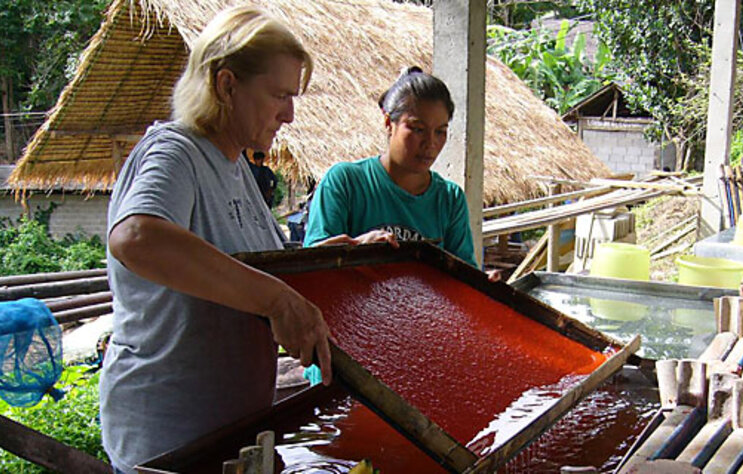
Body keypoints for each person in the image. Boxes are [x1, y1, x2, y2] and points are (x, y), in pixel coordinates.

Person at [101, 6, 332, 473]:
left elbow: (244, 269)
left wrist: (325, 261)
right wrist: (277, 301)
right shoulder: (176, 151)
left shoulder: (235, 165)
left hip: (230, 430)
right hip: (171, 440)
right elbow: (136, 238)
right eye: (279, 95)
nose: (289, 114)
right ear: (227, 85)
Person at [303, 67, 478, 267]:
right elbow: (310, 268)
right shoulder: (345, 183)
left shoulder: (449, 199)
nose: (430, 143)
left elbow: (463, 277)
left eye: (440, 131)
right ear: (388, 122)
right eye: (418, 129)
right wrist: (358, 247)